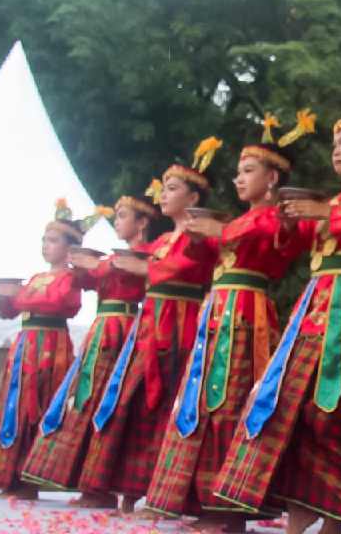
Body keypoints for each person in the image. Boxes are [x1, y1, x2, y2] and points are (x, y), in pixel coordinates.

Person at [214, 78, 341, 534]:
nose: (336, 153)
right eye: (335, 144)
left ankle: (335, 523)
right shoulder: (332, 200)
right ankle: (299, 523)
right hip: (314, 309)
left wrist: (324, 215)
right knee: (296, 408)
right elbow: (288, 246)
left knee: (337, 408)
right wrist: (283, 222)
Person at [143, 114, 314, 528]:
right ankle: (200, 502)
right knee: (202, 400)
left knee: (231, 400)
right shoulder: (234, 220)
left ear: (272, 178)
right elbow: (193, 261)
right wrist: (199, 237)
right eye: (237, 172)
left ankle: (230, 512)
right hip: (217, 313)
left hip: (245, 312)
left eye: (248, 172)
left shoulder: (274, 217)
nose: (239, 180)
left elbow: (273, 241)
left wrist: (214, 233)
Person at [79, 139, 223, 512]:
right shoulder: (159, 240)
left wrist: (146, 269)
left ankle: (168, 493)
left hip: (181, 324)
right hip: (149, 324)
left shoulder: (200, 238)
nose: (164, 195)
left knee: (170, 400)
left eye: (172, 189)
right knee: (133, 399)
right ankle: (126, 490)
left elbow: (187, 267)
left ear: (193, 198)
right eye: (164, 188)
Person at [20, 188, 166, 506]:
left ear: (142, 223)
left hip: (123, 329)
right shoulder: (114, 257)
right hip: (102, 326)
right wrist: (83, 264)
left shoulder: (145, 254)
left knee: (108, 401)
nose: (117, 221)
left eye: (124, 216)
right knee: (85, 398)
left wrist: (96, 265)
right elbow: (84, 281)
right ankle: (89, 484)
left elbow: (130, 272)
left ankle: (102, 487)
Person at [0, 200, 94, 499]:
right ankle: (9, 477)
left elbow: (64, 305)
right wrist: (4, 298)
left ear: (70, 248)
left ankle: (30, 479)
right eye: (44, 240)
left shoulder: (70, 278)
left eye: (53, 240)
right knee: (14, 405)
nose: (46, 246)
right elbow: (8, 313)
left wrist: (19, 298)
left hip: (49, 347)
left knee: (38, 405)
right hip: (25, 346)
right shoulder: (34, 278)